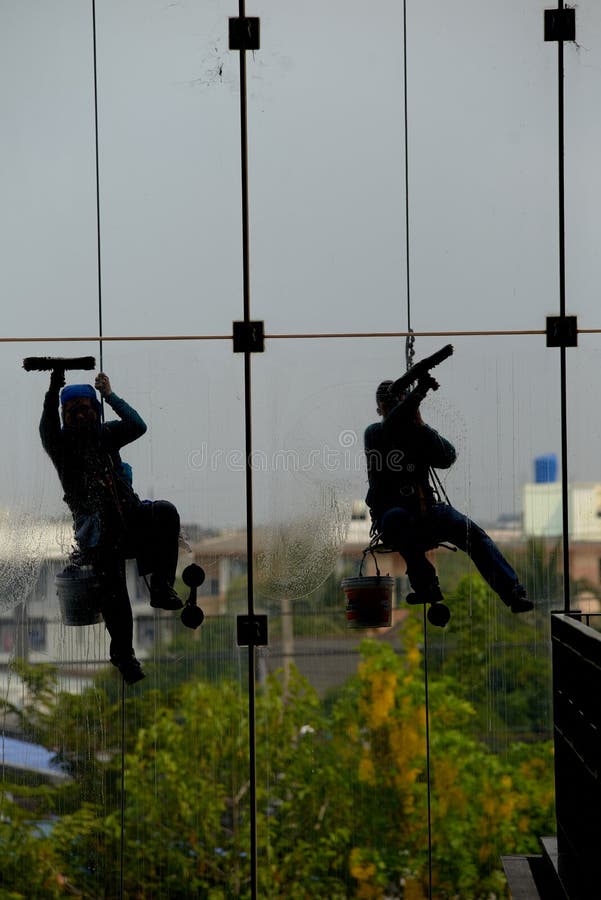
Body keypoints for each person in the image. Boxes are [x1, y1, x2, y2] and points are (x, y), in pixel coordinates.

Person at [40, 369, 183, 684]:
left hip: (128, 519)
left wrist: (110, 395)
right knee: (116, 597)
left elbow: (137, 425)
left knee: (165, 514)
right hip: (99, 538)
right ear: (64, 417)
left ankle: (160, 586)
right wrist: (52, 391)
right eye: (72, 410)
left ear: (96, 412)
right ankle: (124, 656)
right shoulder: (62, 447)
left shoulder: (106, 435)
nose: (80, 414)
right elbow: (47, 428)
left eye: (86, 408)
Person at [364, 374, 533, 614]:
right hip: (397, 517)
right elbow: (392, 427)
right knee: (395, 520)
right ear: (380, 410)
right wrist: (415, 398)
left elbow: (447, 456)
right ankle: (426, 585)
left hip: (427, 511)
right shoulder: (375, 434)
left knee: (474, 536)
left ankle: (512, 592)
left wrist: (420, 424)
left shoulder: (417, 433)